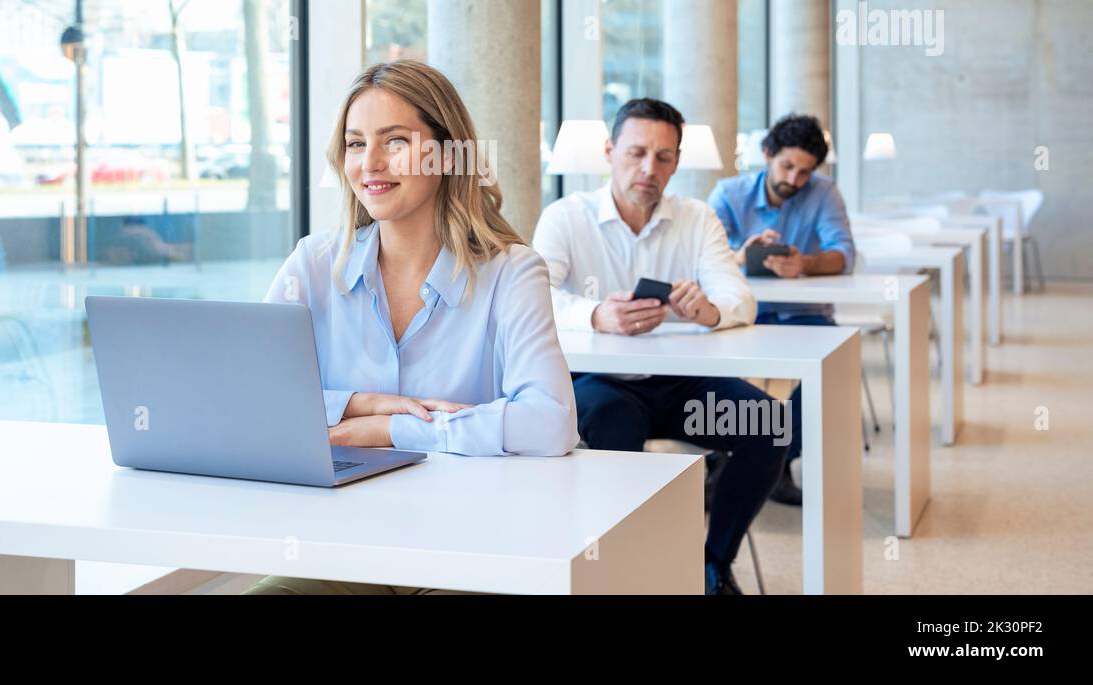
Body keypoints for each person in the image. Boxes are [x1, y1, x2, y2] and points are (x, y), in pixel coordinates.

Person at [248, 59, 579, 595]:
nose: (370, 163)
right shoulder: (313, 264)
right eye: (356, 144)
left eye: (394, 140)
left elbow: (549, 422)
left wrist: (393, 431)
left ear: (448, 154)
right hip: (343, 544)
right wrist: (362, 405)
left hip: (476, 543)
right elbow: (252, 397)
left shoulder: (511, 272)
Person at [531, 98, 784, 595]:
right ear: (610, 151)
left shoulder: (696, 218)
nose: (649, 169)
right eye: (637, 152)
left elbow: (740, 298)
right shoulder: (566, 216)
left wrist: (709, 311)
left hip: (680, 389)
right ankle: (626, 570)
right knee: (615, 420)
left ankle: (713, 564)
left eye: (664, 157)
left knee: (770, 424)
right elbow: (531, 298)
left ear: (676, 162)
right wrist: (595, 314)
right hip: (597, 385)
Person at [709, 113, 856, 506]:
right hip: (743, 314)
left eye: (805, 172)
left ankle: (776, 460)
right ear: (767, 154)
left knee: (829, 369)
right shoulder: (728, 193)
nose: (794, 180)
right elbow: (703, 259)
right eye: (787, 166)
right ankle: (729, 455)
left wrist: (804, 264)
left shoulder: (824, 192)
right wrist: (740, 255)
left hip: (805, 313)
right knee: (710, 370)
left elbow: (844, 254)